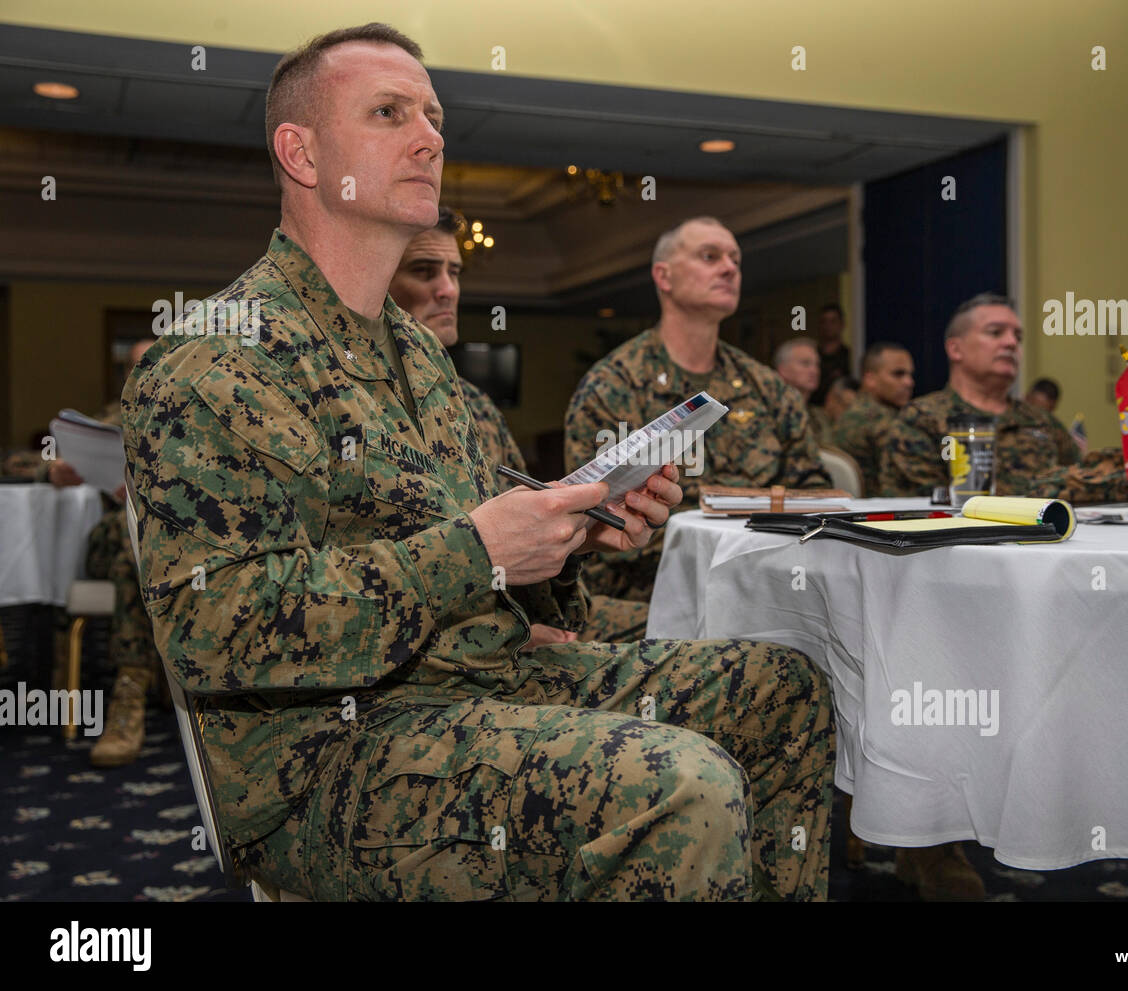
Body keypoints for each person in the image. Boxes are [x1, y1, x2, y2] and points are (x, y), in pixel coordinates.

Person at [121, 24, 834, 901]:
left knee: (784, 687)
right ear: (301, 153)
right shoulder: (218, 358)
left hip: (482, 681)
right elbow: (212, 632)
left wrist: (580, 525)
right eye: (389, 113)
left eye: (434, 116)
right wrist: (478, 552)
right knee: (682, 787)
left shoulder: (418, 358)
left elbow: (485, 534)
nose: (430, 138)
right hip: (326, 760)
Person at [388, 210, 648, 643]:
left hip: (517, 613)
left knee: (694, 620)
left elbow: (522, 554)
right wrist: (520, 637)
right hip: (439, 651)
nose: (448, 289)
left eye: (455, 272)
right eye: (423, 271)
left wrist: (579, 535)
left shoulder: (474, 405)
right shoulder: (361, 402)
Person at [564, 216, 827, 602]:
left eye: (735, 259)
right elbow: (593, 516)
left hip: (766, 580)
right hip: (648, 597)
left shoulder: (765, 386)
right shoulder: (615, 385)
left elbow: (812, 491)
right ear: (664, 277)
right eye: (710, 256)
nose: (729, 268)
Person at [879, 293, 1128, 505]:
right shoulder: (921, 419)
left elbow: (1080, 483)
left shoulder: (1041, 421)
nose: (1011, 343)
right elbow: (925, 507)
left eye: (1018, 337)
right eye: (996, 332)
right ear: (955, 349)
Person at [25, 339, 160, 767]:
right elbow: (18, 462)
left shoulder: (195, 419)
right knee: (127, 532)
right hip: (112, 538)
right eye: (137, 368)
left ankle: (133, 688)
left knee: (137, 541)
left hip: (171, 549)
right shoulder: (112, 418)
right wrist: (51, 470)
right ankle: (132, 690)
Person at [831, 341, 914, 496]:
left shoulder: (856, 411)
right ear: (870, 379)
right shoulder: (875, 419)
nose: (909, 382)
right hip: (879, 511)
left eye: (910, 374)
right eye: (898, 374)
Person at [774, 336, 831, 441]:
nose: (814, 371)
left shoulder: (820, 417)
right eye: (805, 363)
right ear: (783, 370)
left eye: (817, 365)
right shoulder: (772, 413)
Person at [1024, 377, 1078, 467]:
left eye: (1043, 413)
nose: (1035, 418)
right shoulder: (1010, 421)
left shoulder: (1058, 431)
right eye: (1032, 408)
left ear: (1053, 407)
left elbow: (1074, 464)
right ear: (1026, 398)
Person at [809, 303, 851, 407]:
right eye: (824, 321)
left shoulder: (850, 357)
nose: (828, 326)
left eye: (833, 321)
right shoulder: (811, 356)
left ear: (842, 324)